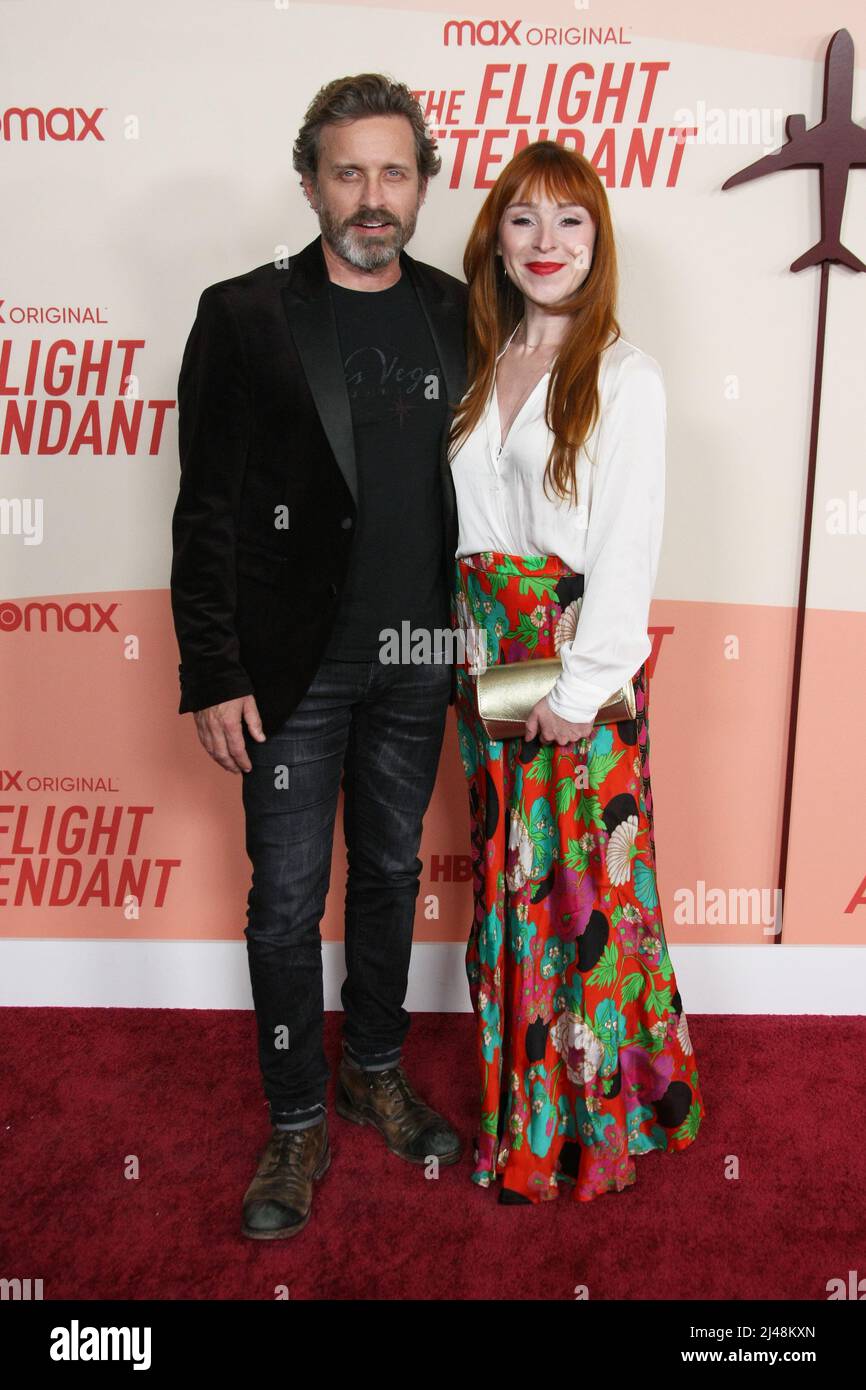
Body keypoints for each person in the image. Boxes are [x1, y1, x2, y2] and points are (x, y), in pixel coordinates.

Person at [170, 73, 468, 1240]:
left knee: (390, 876)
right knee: (287, 905)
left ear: (421, 185)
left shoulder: (457, 307)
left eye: (393, 171)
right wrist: (211, 668)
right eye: (347, 171)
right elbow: (206, 510)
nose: (371, 195)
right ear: (309, 182)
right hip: (289, 670)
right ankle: (296, 1115)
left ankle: (373, 1070)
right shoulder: (243, 313)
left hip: (418, 658)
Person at [447, 140, 706, 1205]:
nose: (544, 244)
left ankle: (585, 1129)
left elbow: (627, 549)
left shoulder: (624, 375)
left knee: (583, 894)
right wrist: (474, 662)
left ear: (596, 243)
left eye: (569, 223)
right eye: (522, 221)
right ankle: (526, 1104)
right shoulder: (482, 357)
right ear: (495, 240)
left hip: (572, 678)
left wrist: (576, 689)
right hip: (490, 668)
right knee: (513, 892)